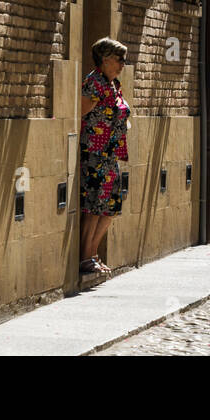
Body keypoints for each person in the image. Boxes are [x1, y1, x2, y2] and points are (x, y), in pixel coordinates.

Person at [79, 36, 131, 278]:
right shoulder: (94, 84)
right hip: (95, 153)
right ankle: (86, 256)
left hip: (110, 153)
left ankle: (93, 253)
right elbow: (79, 114)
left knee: (110, 206)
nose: (122, 64)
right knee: (93, 206)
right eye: (119, 59)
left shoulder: (113, 84)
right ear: (106, 59)